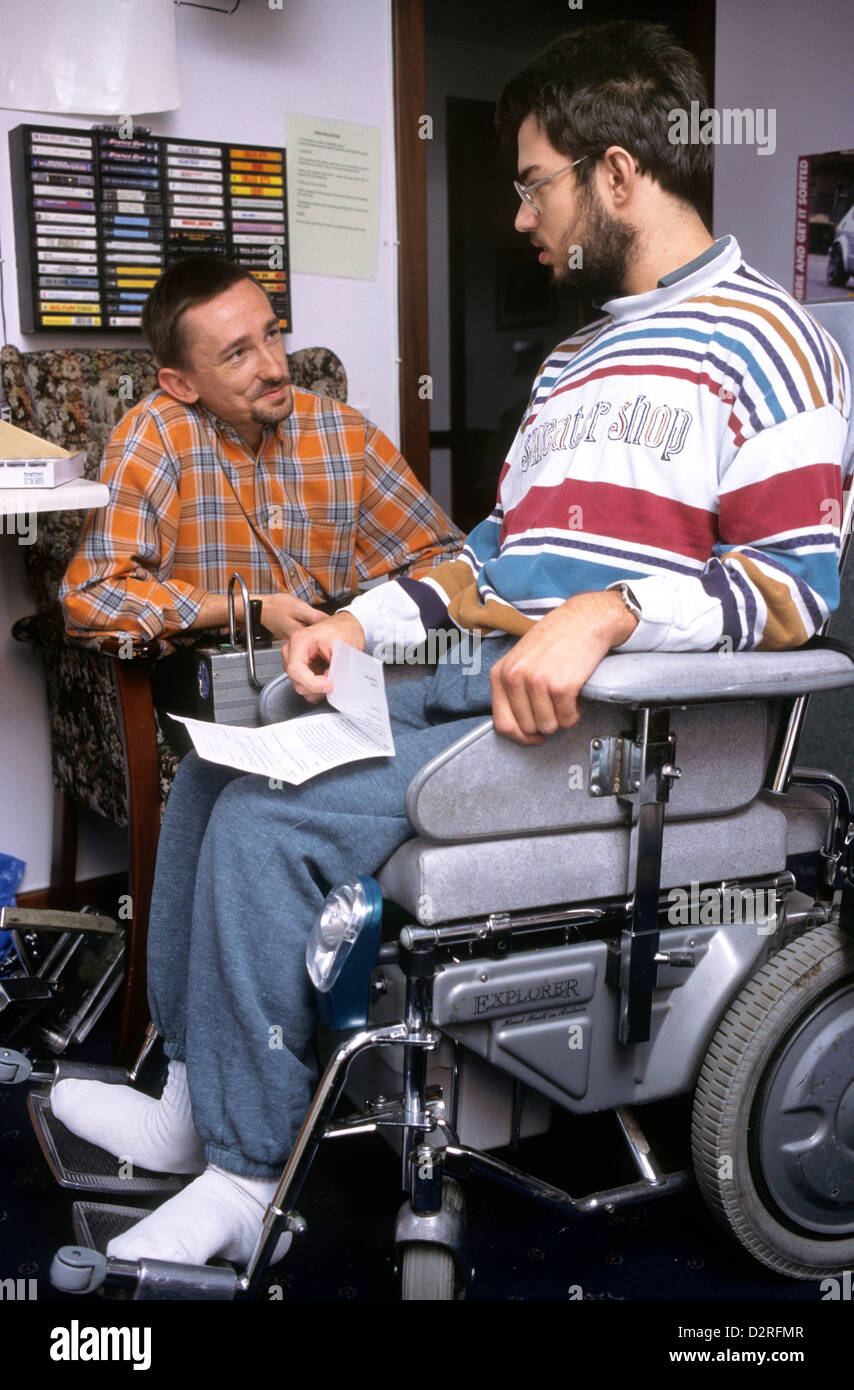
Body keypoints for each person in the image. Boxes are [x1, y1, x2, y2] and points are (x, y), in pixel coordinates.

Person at [50, 19, 849, 1269]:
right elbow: (482, 559)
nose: (522, 217)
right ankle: (198, 1094)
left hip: (612, 723)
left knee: (275, 825)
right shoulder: (575, 358)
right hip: (476, 669)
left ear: (618, 172)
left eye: (535, 182)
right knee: (221, 762)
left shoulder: (770, 340)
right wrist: (355, 627)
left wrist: (615, 610)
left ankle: (246, 1174)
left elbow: (793, 586)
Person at [60, 256, 462, 650]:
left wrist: (363, 621)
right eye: (237, 354)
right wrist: (244, 609)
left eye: (271, 334)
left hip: (339, 666)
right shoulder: (154, 435)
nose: (274, 369)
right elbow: (91, 597)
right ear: (181, 385)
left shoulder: (344, 431)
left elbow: (446, 557)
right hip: (212, 680)